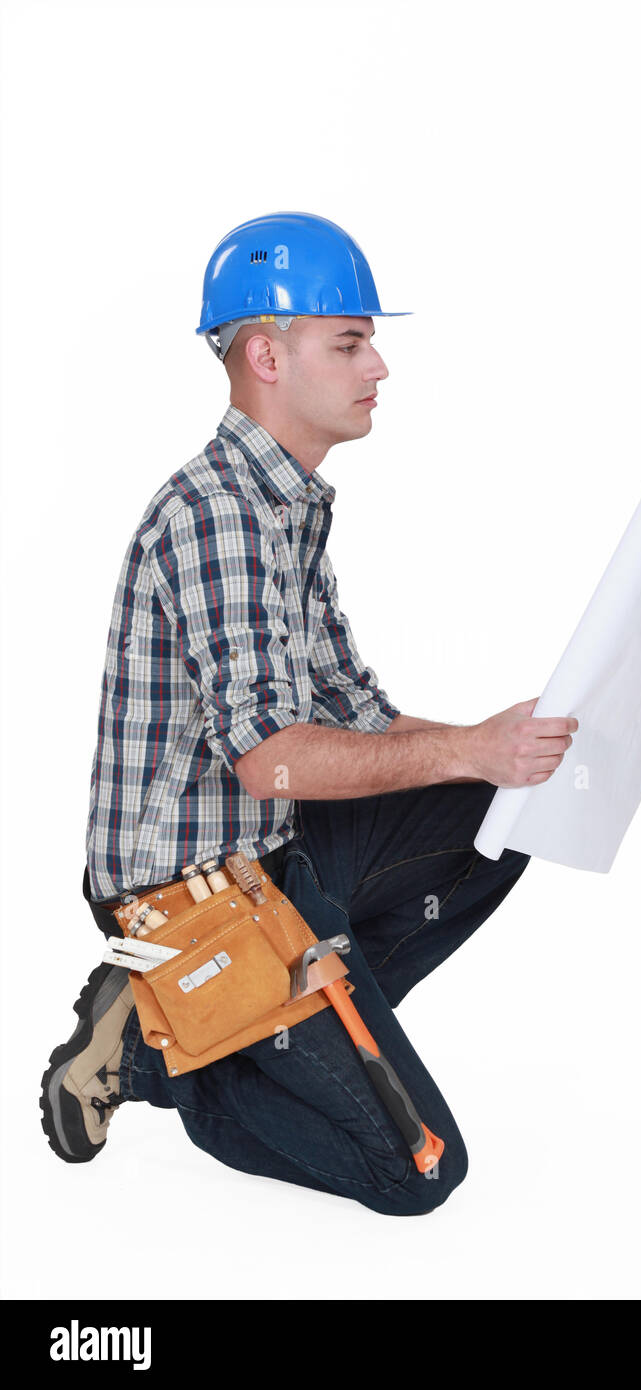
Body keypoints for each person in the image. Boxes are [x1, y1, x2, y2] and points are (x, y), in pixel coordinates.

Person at [39, 212, 578, 1215]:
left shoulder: (288, 510)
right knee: (416, 1172)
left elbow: (362, 722)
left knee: (494, 815)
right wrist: (468, 748)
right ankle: (165, 1047)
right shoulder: (214, 516)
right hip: (184, 901)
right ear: (264, 353)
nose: (379, 363)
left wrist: (496, 746)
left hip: (269, 859)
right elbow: (271, 761)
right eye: (350, 340)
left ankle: (296, 1014)